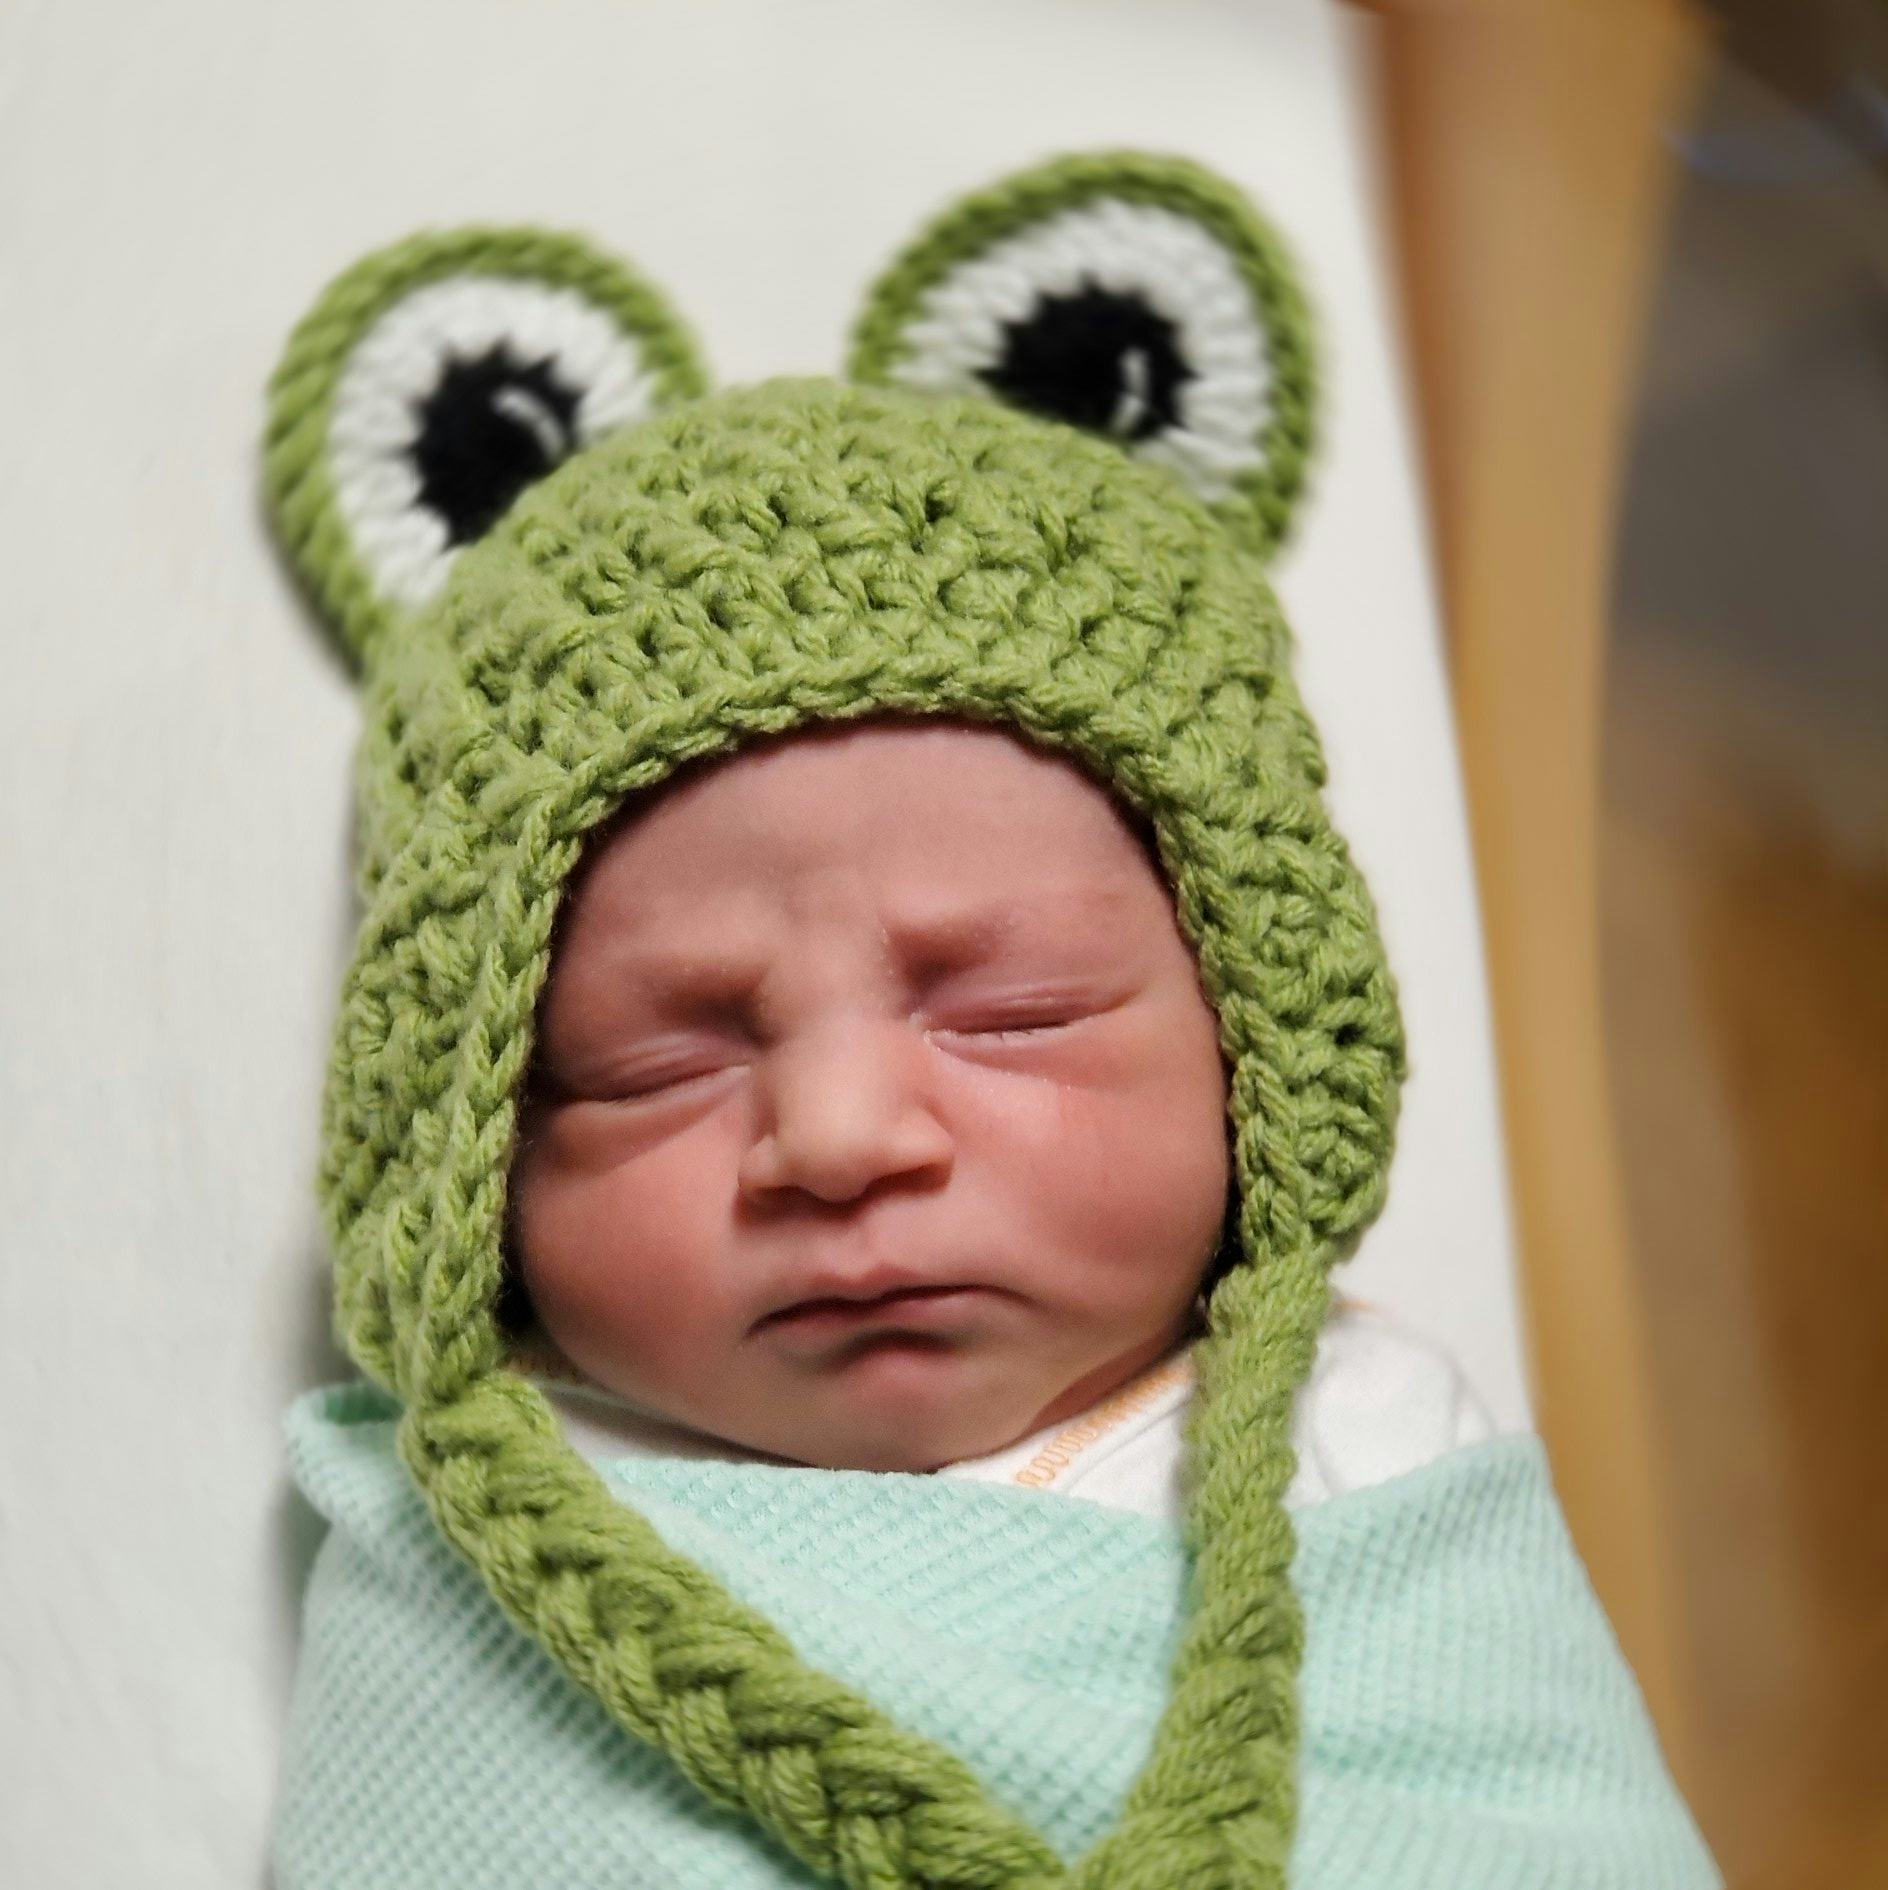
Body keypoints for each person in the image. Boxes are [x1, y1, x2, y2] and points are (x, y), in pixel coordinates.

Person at [264, 151, 1720, 1887]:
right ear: (469, 1143)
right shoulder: (462, 1544)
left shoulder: (1373, 1454)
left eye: (1014, 1012)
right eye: (659, 1063)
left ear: (1256, 1031)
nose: (842, 1137)